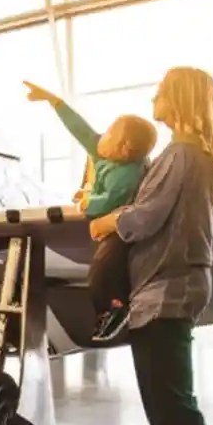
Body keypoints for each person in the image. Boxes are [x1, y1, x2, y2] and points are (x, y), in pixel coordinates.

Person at [87, 66, 213, 425]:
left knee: (174, 414)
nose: (153, 97)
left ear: (180, 99)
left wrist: (107, 221)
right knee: (172, 413)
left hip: (166, 294)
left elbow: (144, 218)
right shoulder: (191, 156)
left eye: (161, 91)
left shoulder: (181, 155)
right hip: (167, 290)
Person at [24, 80, 157, 340]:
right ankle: (108, 309)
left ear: (123, 149)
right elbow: (81, 130)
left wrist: (86, 200)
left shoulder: (127, 173)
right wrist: (56, 102)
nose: (100, 137)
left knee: (105, 268)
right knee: (102, 267)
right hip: (108, 225)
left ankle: (114, 308)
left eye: (108, 135)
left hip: (121, 229)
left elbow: (106, 203)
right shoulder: (106, 154)